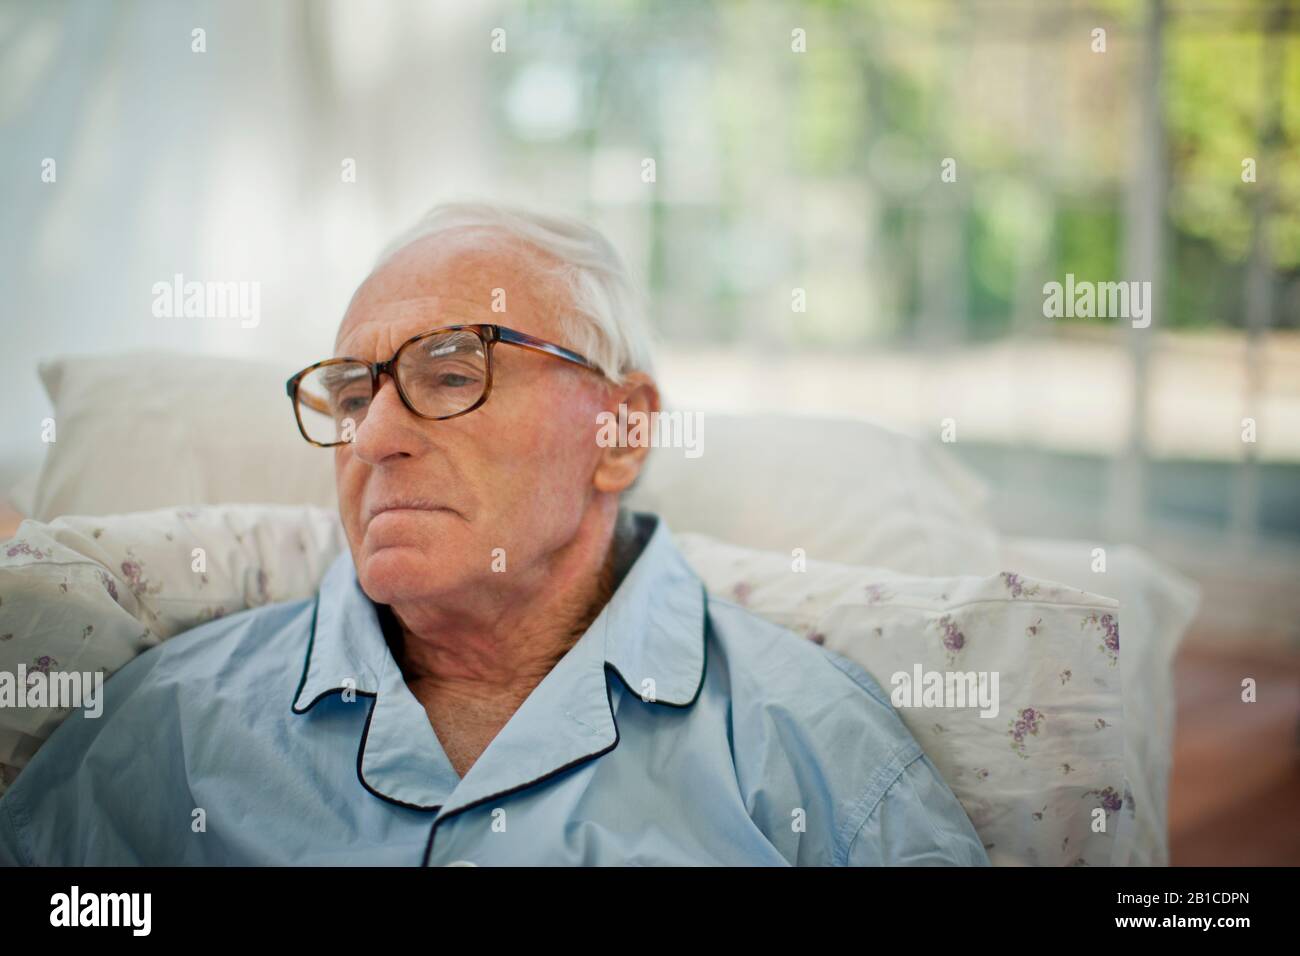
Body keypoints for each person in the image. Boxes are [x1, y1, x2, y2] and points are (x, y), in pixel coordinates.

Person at [0, 201, 989, 866]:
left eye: (448, 370)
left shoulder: (808, 744)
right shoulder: (168, 724)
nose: (374, 437)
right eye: (352, 393)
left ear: (620, 428)